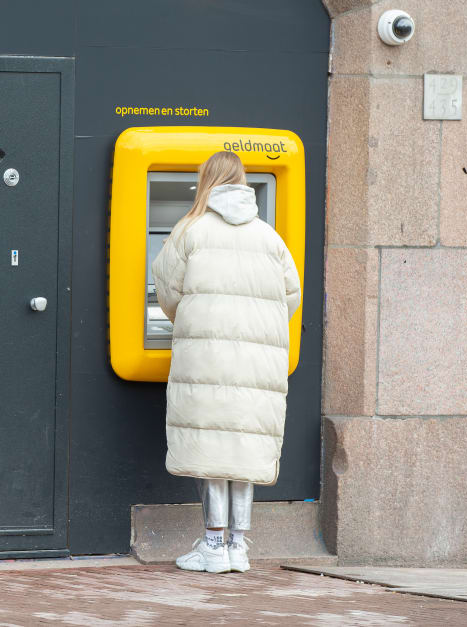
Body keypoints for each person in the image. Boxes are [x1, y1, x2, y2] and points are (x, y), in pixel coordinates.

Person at [150, 150, 301, 574]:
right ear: (243, 182)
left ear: (207, 182)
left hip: (207, 358)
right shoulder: (269, 238)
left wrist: (200, 317)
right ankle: (239, 546)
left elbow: (167, 294)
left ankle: (213, 544)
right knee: (242, 447)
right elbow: (291, 296)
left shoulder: (189, 231)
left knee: (213, 446)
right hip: (258, 363)